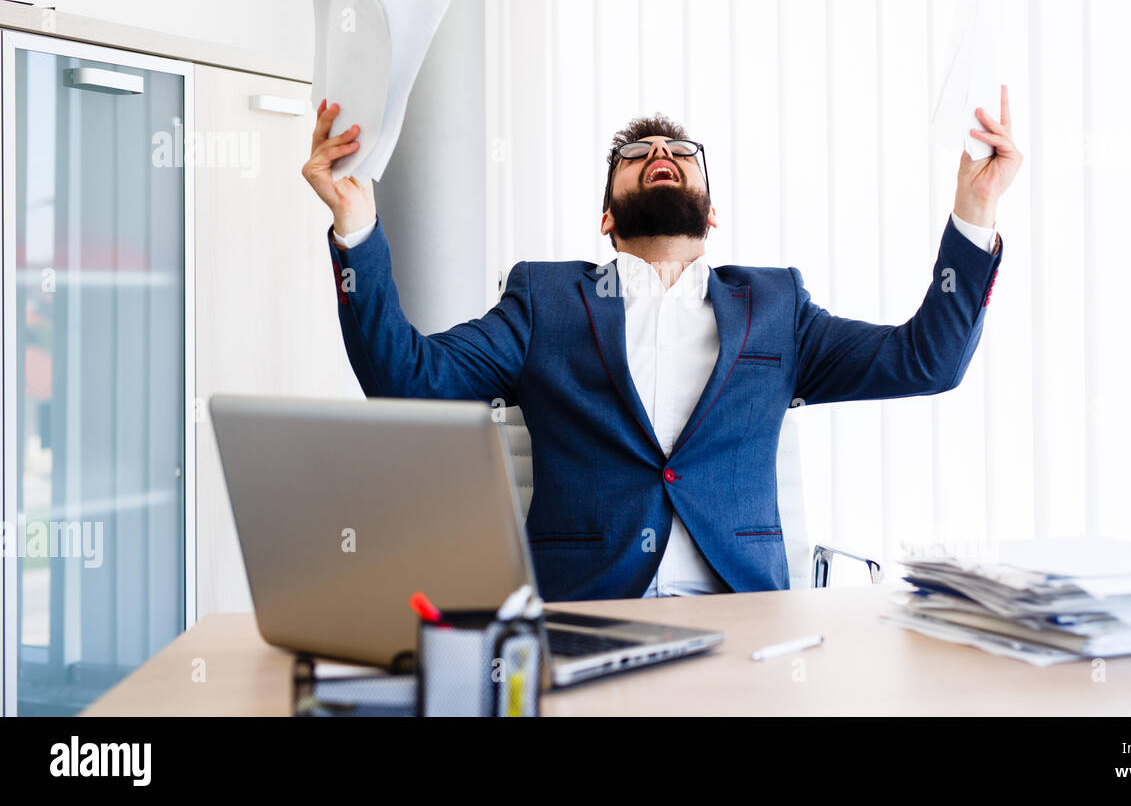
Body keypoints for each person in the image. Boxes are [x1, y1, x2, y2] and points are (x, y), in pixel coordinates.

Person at [301, 91, 1023, 601]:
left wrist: (975, 213)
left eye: (680, 151)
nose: (660, 155)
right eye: (636, 154)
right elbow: (408, 378)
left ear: (710, 210)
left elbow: (926, 361)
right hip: (589, 616)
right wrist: (356, 230)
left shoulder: (777, 306)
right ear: (607, 216)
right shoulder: (544, 299)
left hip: (746, 617)